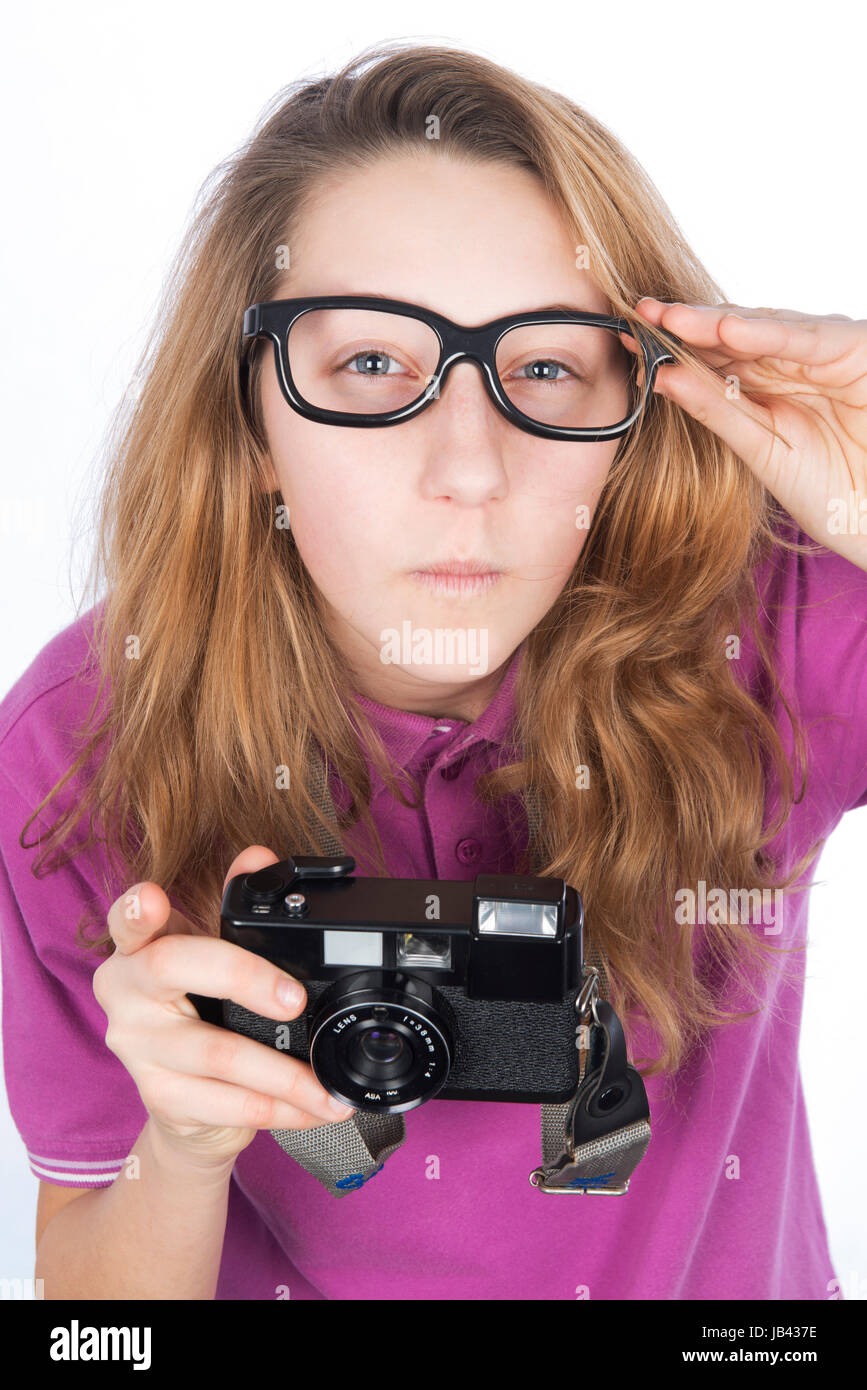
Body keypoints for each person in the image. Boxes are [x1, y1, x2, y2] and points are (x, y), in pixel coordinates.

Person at [1, 40, 865, 1301]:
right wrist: (181, 1147)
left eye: (548, 367)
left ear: (635, 419)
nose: (470, 467)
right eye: (369, 366)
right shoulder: (75, 745)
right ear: (248, 426)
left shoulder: (773, 619)